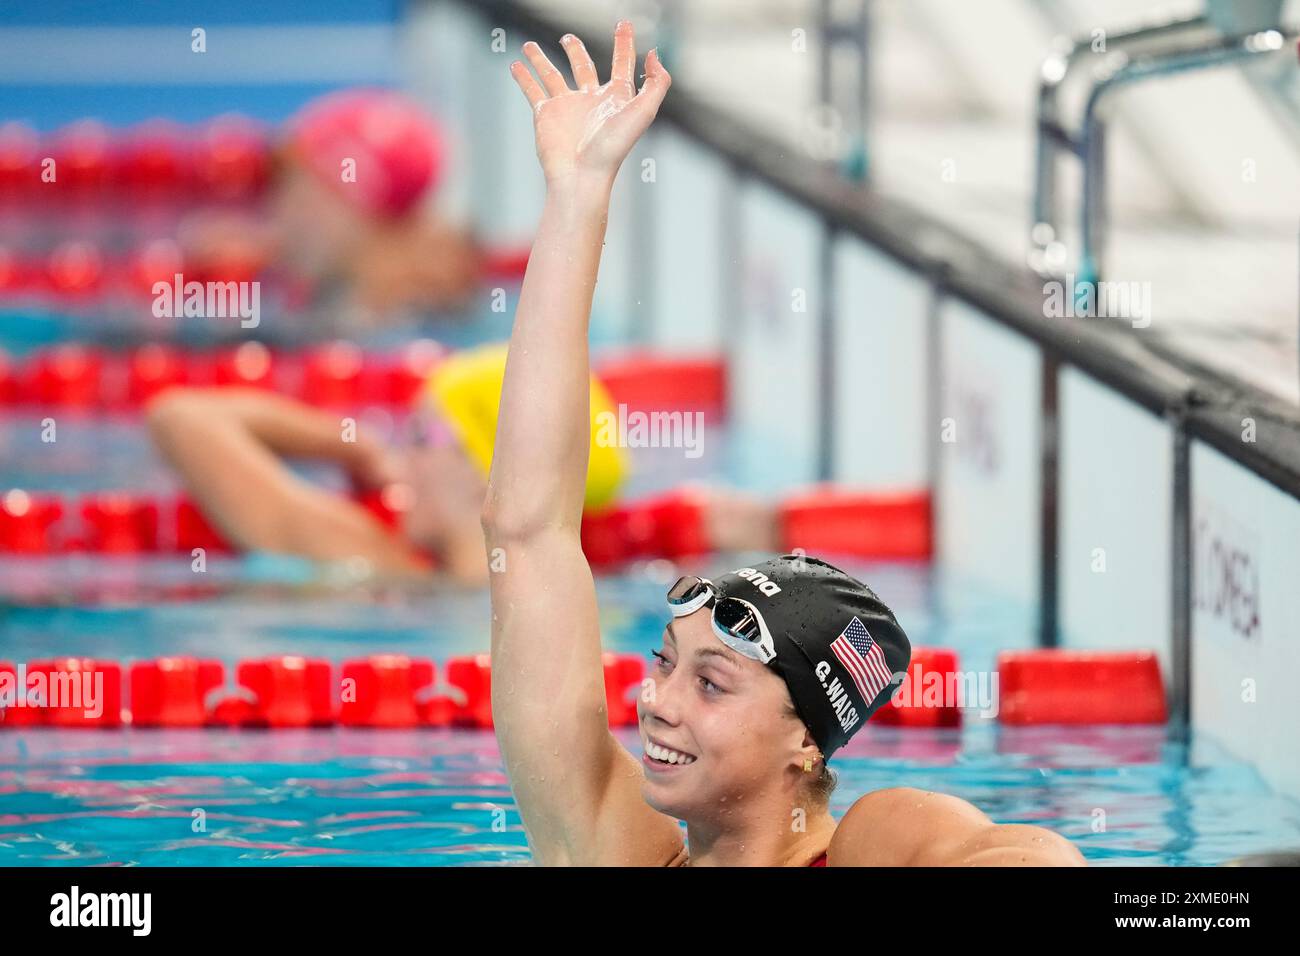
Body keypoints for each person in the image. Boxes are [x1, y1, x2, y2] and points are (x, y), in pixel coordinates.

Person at [481, 21, 1085, 866]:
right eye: (666, 664)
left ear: (807, 739)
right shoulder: (613, 845)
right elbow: (527, 533)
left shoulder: (876, 842)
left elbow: (1041, 863)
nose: (658, 702)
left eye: (711, 682)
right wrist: (578, 196)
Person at [145, 342, 627, 584]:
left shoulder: (381, 569)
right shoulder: (579, 603)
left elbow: (179, 418)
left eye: (420, 436)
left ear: (490, 470)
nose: (403, 460)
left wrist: (349, 445)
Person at [181, 89, 483, 320]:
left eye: (292, 187)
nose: (279, 210)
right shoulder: (363, 306)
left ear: (346, 203)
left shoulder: (401, 329)